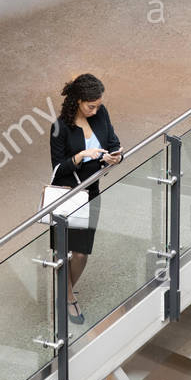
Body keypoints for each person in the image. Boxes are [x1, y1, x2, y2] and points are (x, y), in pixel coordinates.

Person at [49, 73, 122, 325]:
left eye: (98, 105)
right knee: (65, 251)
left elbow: (113, 142)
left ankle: (63, 292)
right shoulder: (60, 127)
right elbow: (58, 169)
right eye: (91, 106)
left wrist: (115, 156)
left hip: (91, 191)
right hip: (67, 195)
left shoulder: (101, 115)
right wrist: (82, 156)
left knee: (81, 254)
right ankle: (67, 297)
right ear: (78, 101)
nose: (96, 110)